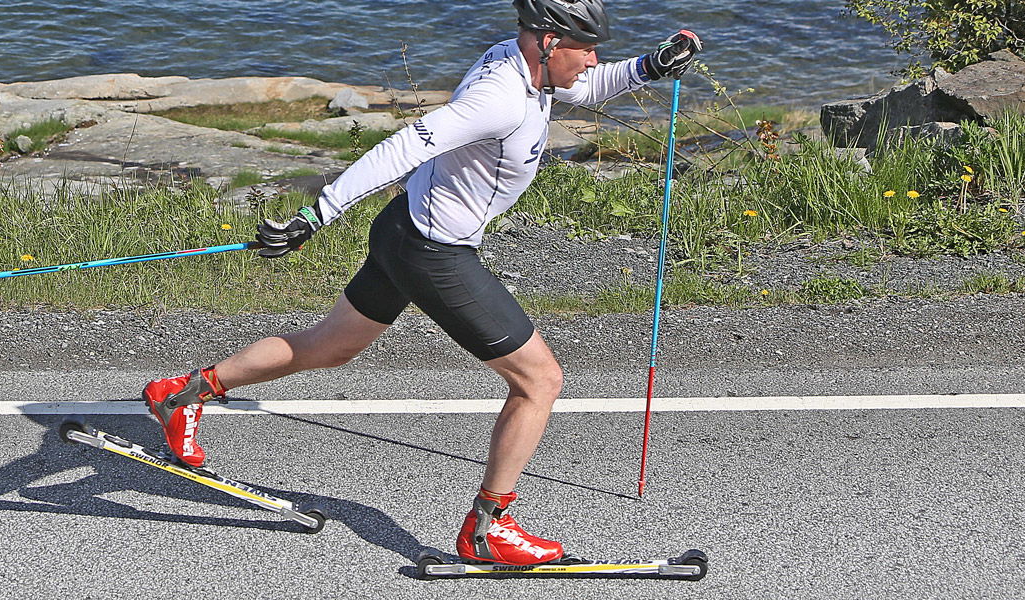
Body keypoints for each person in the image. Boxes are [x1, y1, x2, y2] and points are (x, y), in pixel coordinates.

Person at [141, 0, 702, 566]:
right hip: (434, 252)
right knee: (539, 380)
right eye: (585, 48)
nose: (593, 59)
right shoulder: (498, 98)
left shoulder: (524, 66)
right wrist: (316, 216)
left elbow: (583, 86)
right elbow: (406, 145)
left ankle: (183, 394)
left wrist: (650, 66)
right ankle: (489, 528)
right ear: (549, 43)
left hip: (405, 229)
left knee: (330, 345)